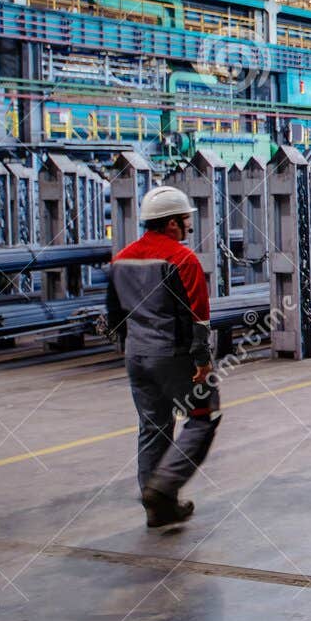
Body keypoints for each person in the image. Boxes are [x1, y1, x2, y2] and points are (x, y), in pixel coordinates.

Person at [106, 185, 221, 528]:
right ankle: (163, 488)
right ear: (171, 222)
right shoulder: (183, 260)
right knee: (203, 417)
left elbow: (114, 316)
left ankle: (156, 506)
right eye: (186, 219)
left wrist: (132, 347)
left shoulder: (121, 258)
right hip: (173, 356)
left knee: (153, 427)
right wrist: (202, 362)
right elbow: (198, 316)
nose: (189, 225)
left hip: (136, 356)